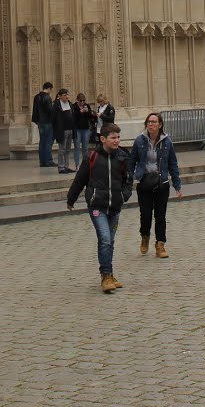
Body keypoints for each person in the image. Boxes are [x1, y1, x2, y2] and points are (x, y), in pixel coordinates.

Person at [65, 123, 132, 294]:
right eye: (113, 138)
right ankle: (106, 276)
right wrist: (71, 198)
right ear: (103, 139)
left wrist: (124, 195)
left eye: (118, 137)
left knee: (110, 241)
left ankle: (109, 273)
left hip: (115, 206)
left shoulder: (123, 157)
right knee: (104, 238)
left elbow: (128, 181)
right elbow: (80, 179)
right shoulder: (92, 157)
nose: (116, 141)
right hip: (97, 206)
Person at [130, 112, 183, 259]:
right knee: (145, 214)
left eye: (154, 122)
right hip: (144, 182)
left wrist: (177, 185)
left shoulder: (167, 142)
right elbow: (131, 161)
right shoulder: (139, 141)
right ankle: (145, 236)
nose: (151, 124)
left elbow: (173, 164)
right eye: (149, 122)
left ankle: (160, 244)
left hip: (162, 183)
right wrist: (130, 179)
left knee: (160, 215)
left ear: (160, 125)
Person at [52, 89, 77, 173]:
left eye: (67, 95)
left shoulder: (69, 103)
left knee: (68, 149)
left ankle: (66, 166)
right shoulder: (56, 105)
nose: (67, 96)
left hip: (70, 129)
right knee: (62, 150)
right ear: (60, 96)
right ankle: (61, 167)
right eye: (65, 95)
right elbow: (53, 118)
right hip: (62, 130)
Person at [31, 82, 55, 168]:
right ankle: (48, 161)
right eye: (51, 90)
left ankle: (42, 161)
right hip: (47, 122)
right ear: (49, 88)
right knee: (48, 141)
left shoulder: (36, 97)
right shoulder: (47, 97)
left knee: (42, 142)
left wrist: (36, 121)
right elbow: (50, 110)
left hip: (40, 122)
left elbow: (35, 110)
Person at [72, 95, 95, 168]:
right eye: (80, 100)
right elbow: (73, 117)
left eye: (83, 100)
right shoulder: (74, 106)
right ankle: (77, 164)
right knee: (77, 147)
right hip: (77, 129)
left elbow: (90, 117)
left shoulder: (86, 105)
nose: (82, 102)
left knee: (85, 147)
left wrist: (88, 112)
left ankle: (85, 164)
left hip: (85, 129)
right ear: (77, 100)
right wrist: (80, 112)